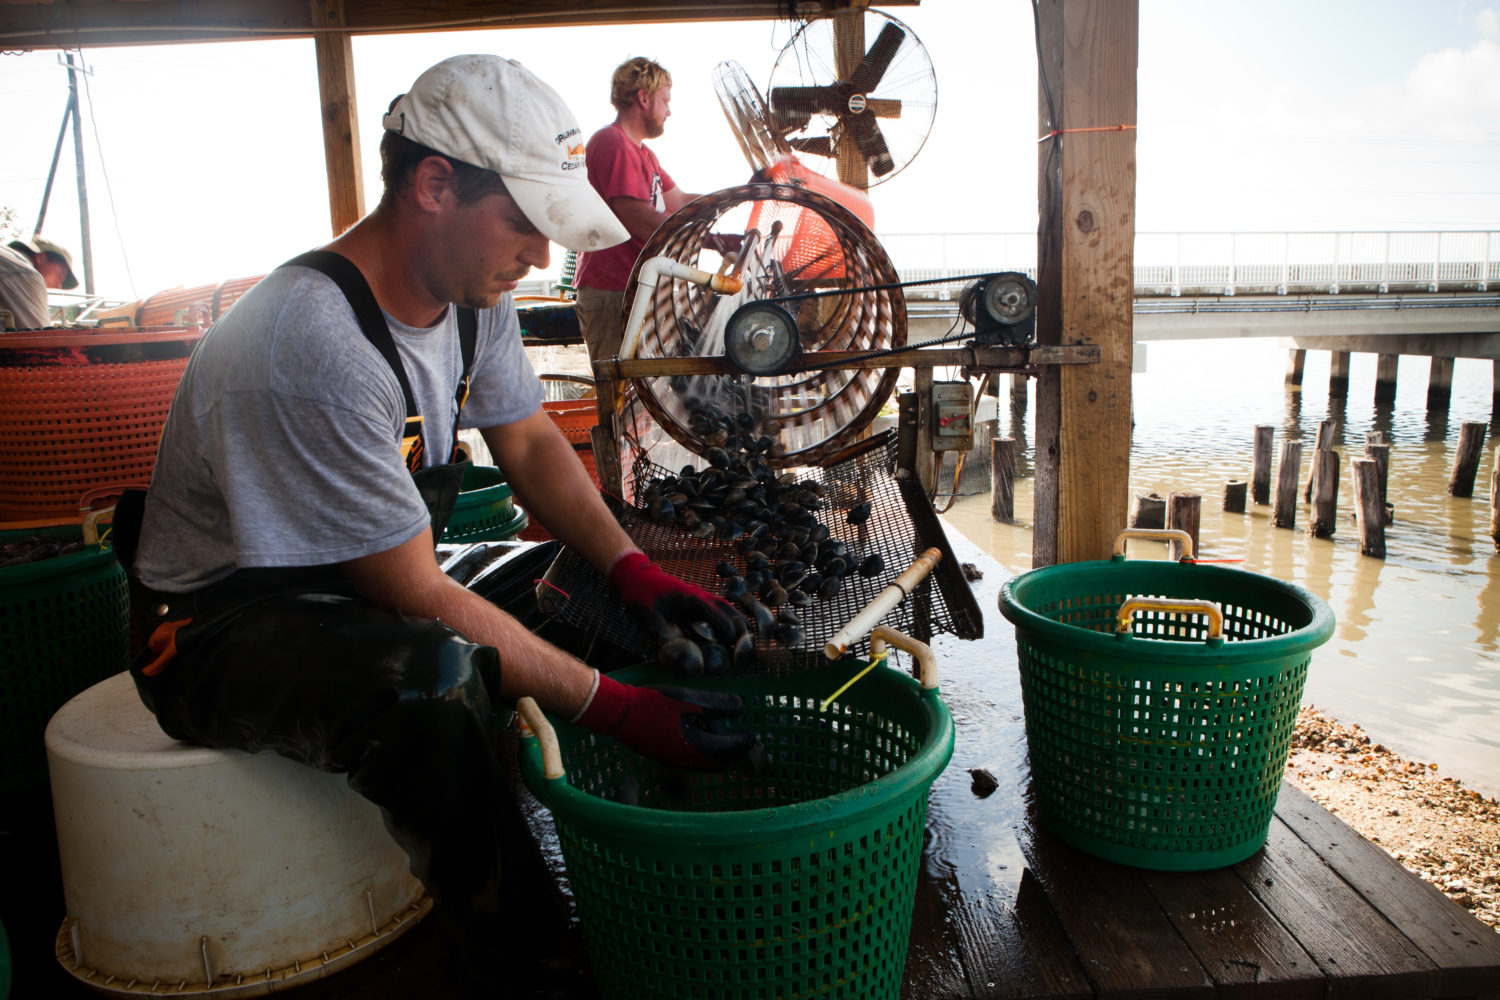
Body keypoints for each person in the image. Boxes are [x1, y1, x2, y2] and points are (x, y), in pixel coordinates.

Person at [116, 54, 755, 991]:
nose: (541, 256)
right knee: (432, 681)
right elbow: (411, 593)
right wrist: (620, 708)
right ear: (433, 183)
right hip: (217, 629)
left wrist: (633, 571)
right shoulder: (312, 341)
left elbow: (531, 445)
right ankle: (519, 949)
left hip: (354, 580)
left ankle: (640, 792)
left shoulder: (469, 292)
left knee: (567, 585)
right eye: (525, 224)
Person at [573, 56, 734, 362]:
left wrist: (739, 195)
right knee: (620, 392)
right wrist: (709, 240)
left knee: (645, 392)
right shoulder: (613, 143)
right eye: (665, 100)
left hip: (635, 289)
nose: (669, 111)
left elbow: (683, 202)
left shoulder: (645, 155)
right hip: (613, 291)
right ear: (643, 98)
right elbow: (636, 217)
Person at [0, 234, 77, 330]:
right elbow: (42, 340)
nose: (58, 285)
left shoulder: (7, 262)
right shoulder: (26, 273)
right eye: (60, 274)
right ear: (41, 258)